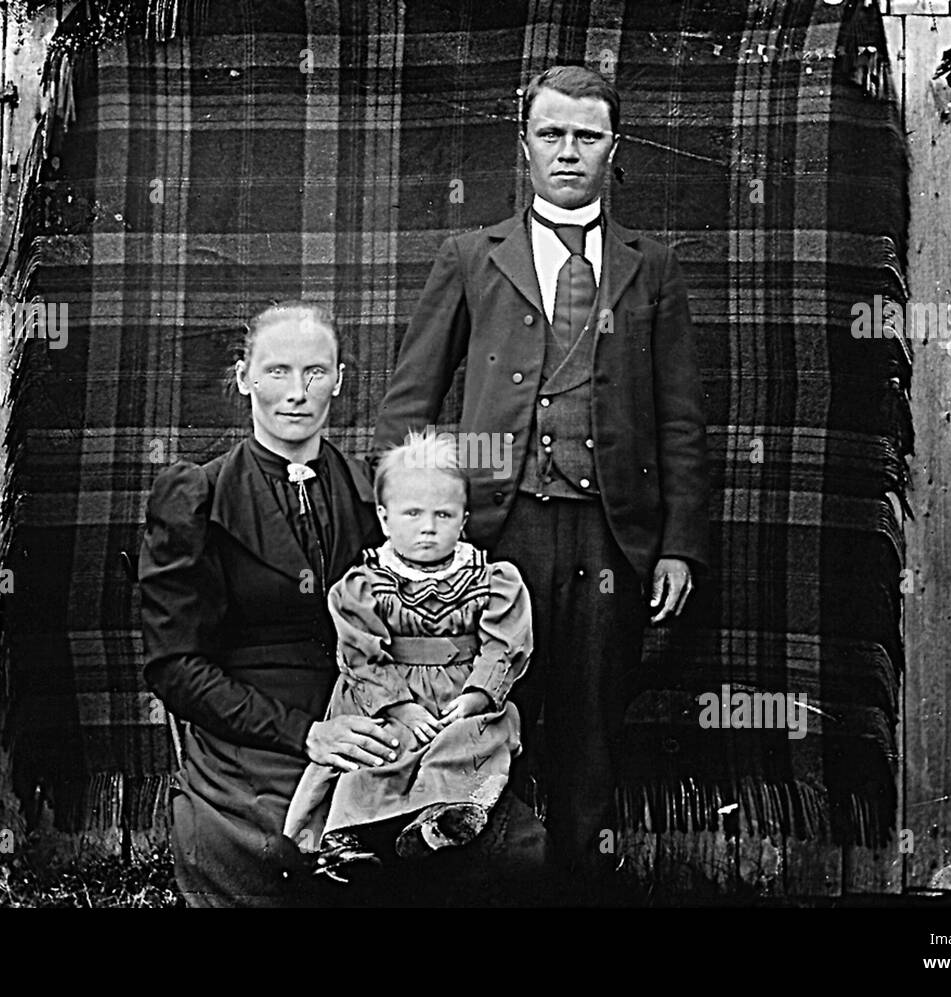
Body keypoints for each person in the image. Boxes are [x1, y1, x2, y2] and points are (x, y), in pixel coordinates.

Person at [372, 65, 711, 881]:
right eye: (551, 134)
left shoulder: (651, 265)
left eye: (586, 136)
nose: (568, 152)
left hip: (611, 536)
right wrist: (413, 526)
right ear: (523, 146)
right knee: (484, 724)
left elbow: (681, 420)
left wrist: (679, 545)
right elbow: (410, 399)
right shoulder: (470, 255)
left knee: (591, 734)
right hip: (495, 534)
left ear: (613, 147)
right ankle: (487, 891)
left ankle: (576, 892)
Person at [139, 300, 399, 906]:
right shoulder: (196, 496)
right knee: (291, 859)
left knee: (494, 844)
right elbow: (174, 666)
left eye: (315, 372)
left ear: (339, 380)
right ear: (243, 378)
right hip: (251, 732)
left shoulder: (375, 495)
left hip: (366, 709)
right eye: (277, 371)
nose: (296, 393)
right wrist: (306, 735)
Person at [283, 431, 533, 880]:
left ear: (463, 519)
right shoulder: (365, 585)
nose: (428, 526)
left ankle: (441, 822)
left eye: (444, 514)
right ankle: (346, 839)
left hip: (460, 692)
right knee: (379, 746)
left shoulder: (491, 579)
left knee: (475, 739)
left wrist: (478, 694)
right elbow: (361, 655)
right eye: (412, 513)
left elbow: (505, 644)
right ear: (384, 517)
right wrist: (398, 703)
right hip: (391, 695)